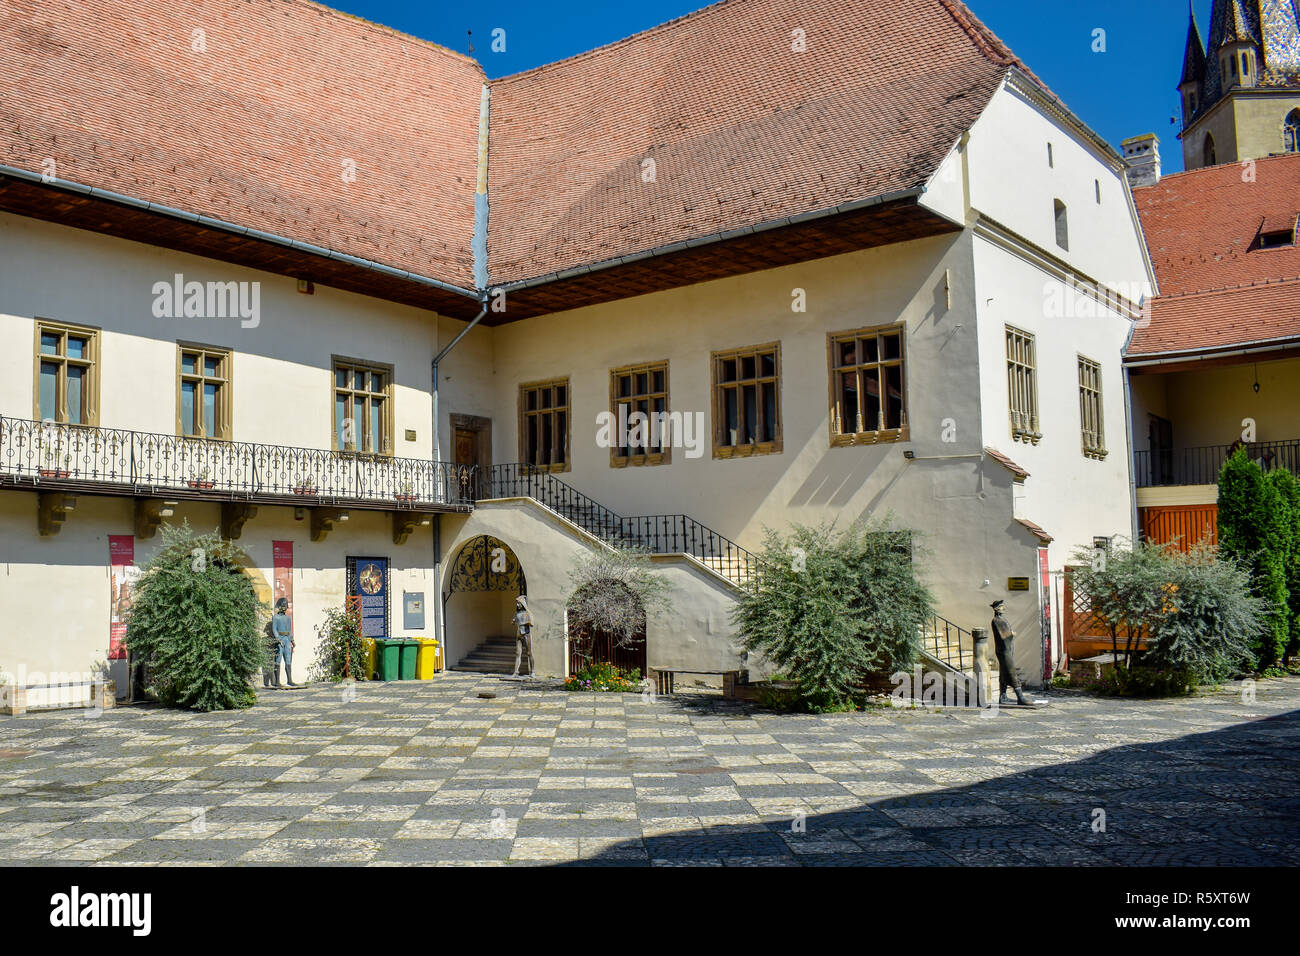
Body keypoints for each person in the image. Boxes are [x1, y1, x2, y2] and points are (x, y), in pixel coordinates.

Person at [990, 599, 1029, 706]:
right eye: (1002, 606)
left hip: (1006, 649)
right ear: (997, 608)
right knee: (1011, 672)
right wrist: (1011, 633)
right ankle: (1020, 697)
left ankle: (1003, 696)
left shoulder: (1001, 619)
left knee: (1003, 672)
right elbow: (1003, 635)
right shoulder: (996, 620)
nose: (1004, 608)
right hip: (1003, 651)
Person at [272, 598, 296, 689]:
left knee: (288, 660)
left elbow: (289, 630)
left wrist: (292, 640)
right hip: (280, 640)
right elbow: (274, 629)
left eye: (285, 606)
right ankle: (277, 681)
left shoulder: (288, 618)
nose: (284, 608)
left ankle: (289, 680)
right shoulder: (276, 617)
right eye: (283, 606)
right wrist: (278, 639)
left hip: (287, 640)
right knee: (278, 660)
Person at [511, 595, 534, 678]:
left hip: (526, 634)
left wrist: (527, 620)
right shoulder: (517, 613)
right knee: (517, 653)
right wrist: (514, 620)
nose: (517, 605)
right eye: (517, 603)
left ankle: (532, 671)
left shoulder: (527, 613)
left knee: (529, 653)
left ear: (523, 604)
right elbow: (513, 622)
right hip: (519, 634)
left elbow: (532, 623)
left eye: (519, 603)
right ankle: (516, 672)